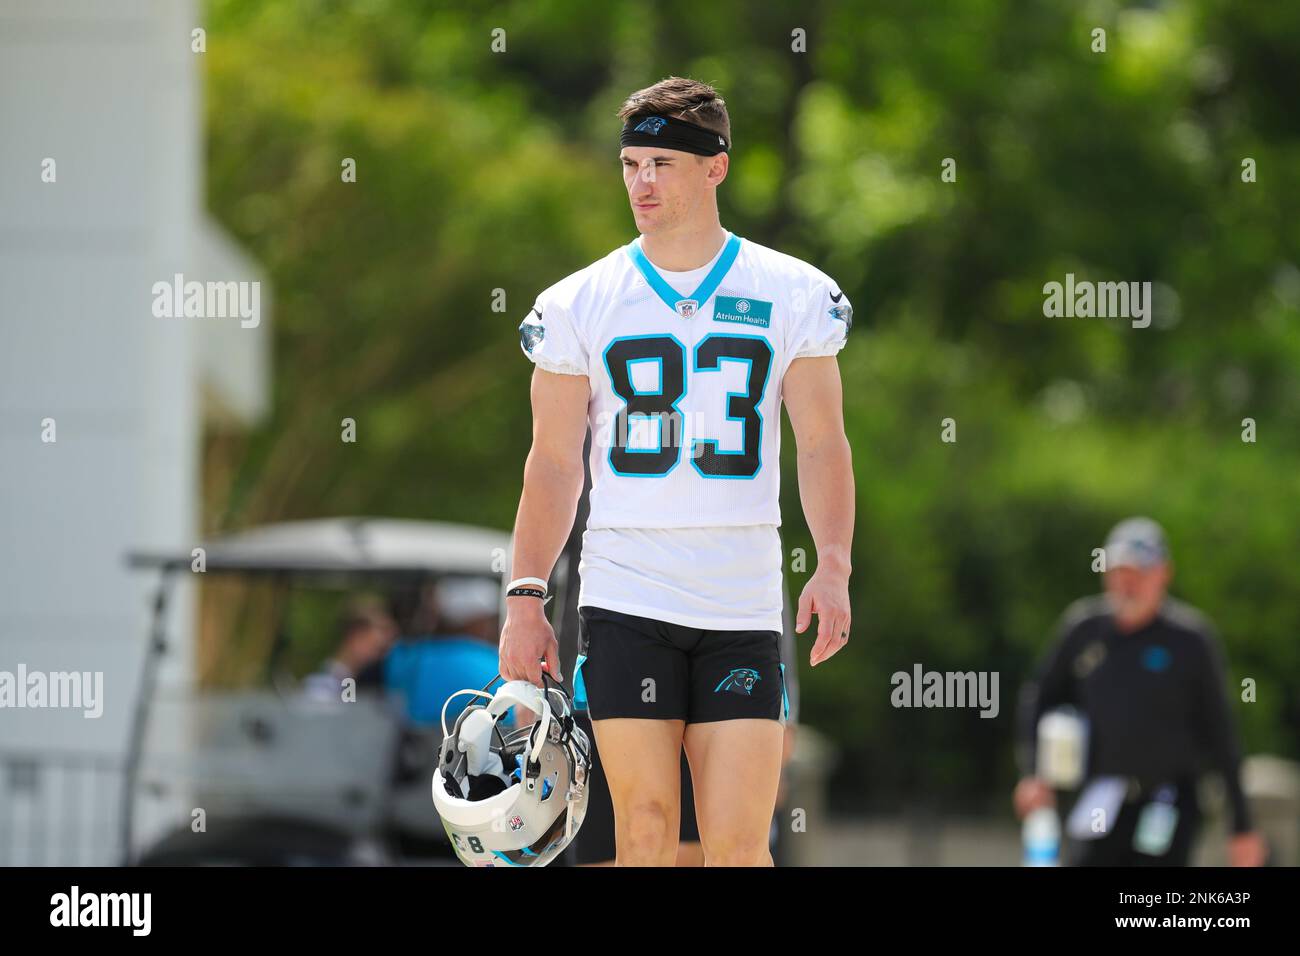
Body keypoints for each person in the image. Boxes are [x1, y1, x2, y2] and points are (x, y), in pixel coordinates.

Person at [500, 77, 855, 866]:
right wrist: (525, 596)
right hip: (628, 596)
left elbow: (823, 441)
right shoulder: (578, 302)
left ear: (715, 168)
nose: (643, 182)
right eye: (630, 163)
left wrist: (833, 565)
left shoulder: (790, 291)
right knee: (649, 831)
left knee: (735, 844)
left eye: (661, 161)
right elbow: (554, 465)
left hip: (741, 599)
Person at [1014, 517, 1267, 866]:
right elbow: (1039, 697)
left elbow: (1221, 733)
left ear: (1163, 573)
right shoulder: (1083, 631)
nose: (1127, 583)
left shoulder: (1190, 641)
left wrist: (1242, 825)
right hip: (1102, 794)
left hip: (1168, 799)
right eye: (1120, 572)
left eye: (1139, 573)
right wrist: (1033, 773)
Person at [301, 600, 396, 703]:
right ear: (356, 637)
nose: (385, 657)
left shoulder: (354, 684)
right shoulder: (321, 689)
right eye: (379, 649)